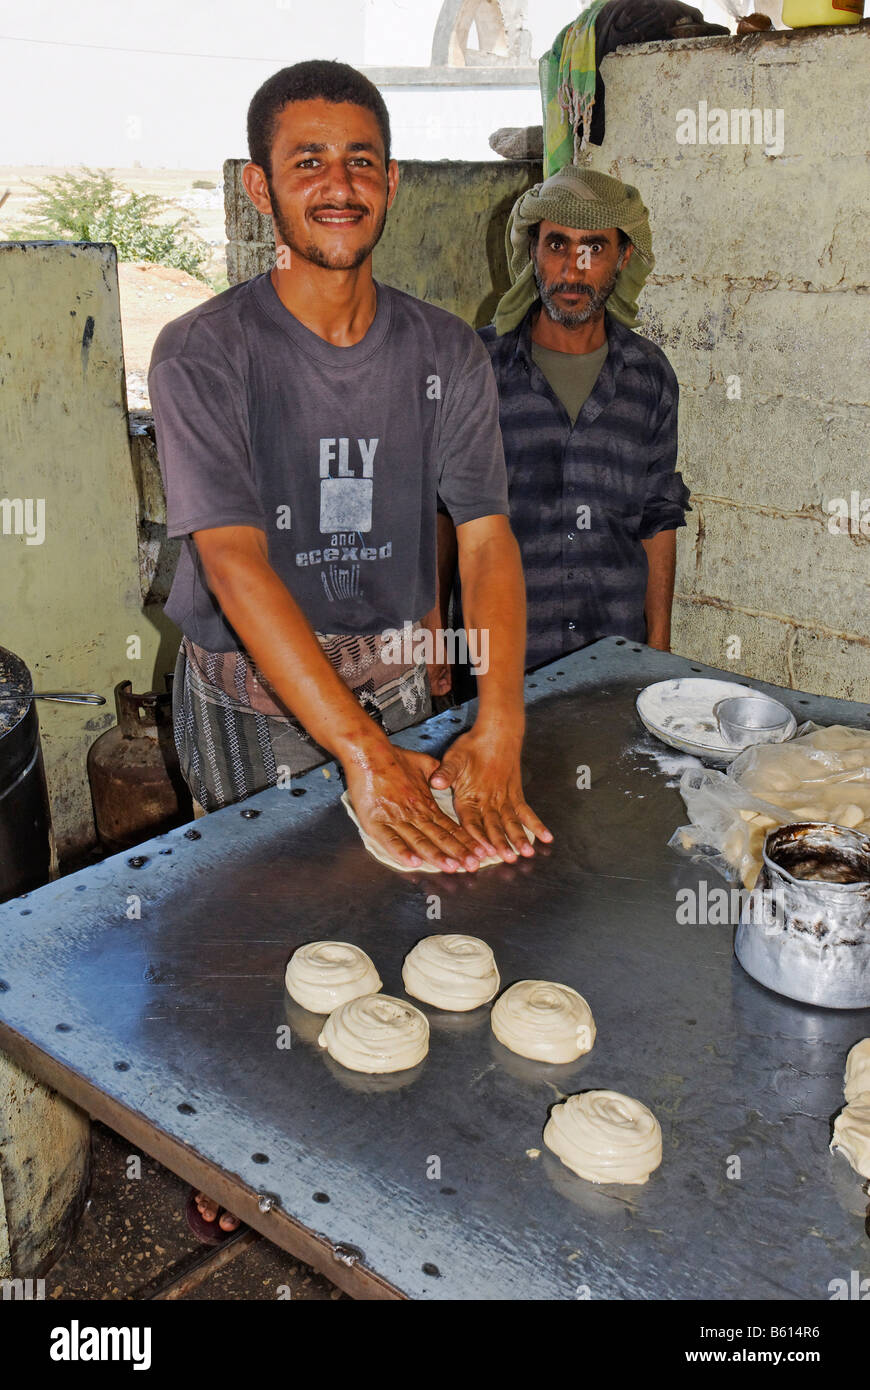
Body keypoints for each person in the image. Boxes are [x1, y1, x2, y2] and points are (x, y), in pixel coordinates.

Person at [149, 59, 551, 1238]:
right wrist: (364, 756)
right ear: (257, 189)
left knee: (394, 919)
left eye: (362, 159)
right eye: (307, 161)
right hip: (251, 694)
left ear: (392, 183)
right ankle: (227, 1150)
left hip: (404, 677)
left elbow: (485, 538)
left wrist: (500, 717)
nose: (339, 183)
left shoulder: (447, 353)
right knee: (257, 931)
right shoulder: (202, 350)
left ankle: (367, 1152)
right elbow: (234, 561)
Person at [472, 165, 690, 672]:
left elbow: (659, 519)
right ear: (533, 251)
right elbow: (442, 514)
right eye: (557, 246)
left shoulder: (649, 376)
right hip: (501, 669)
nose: (573, 269)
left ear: (623, 256)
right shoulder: (477, 367)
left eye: (594, 247)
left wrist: (657, 650)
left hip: (616, 664)